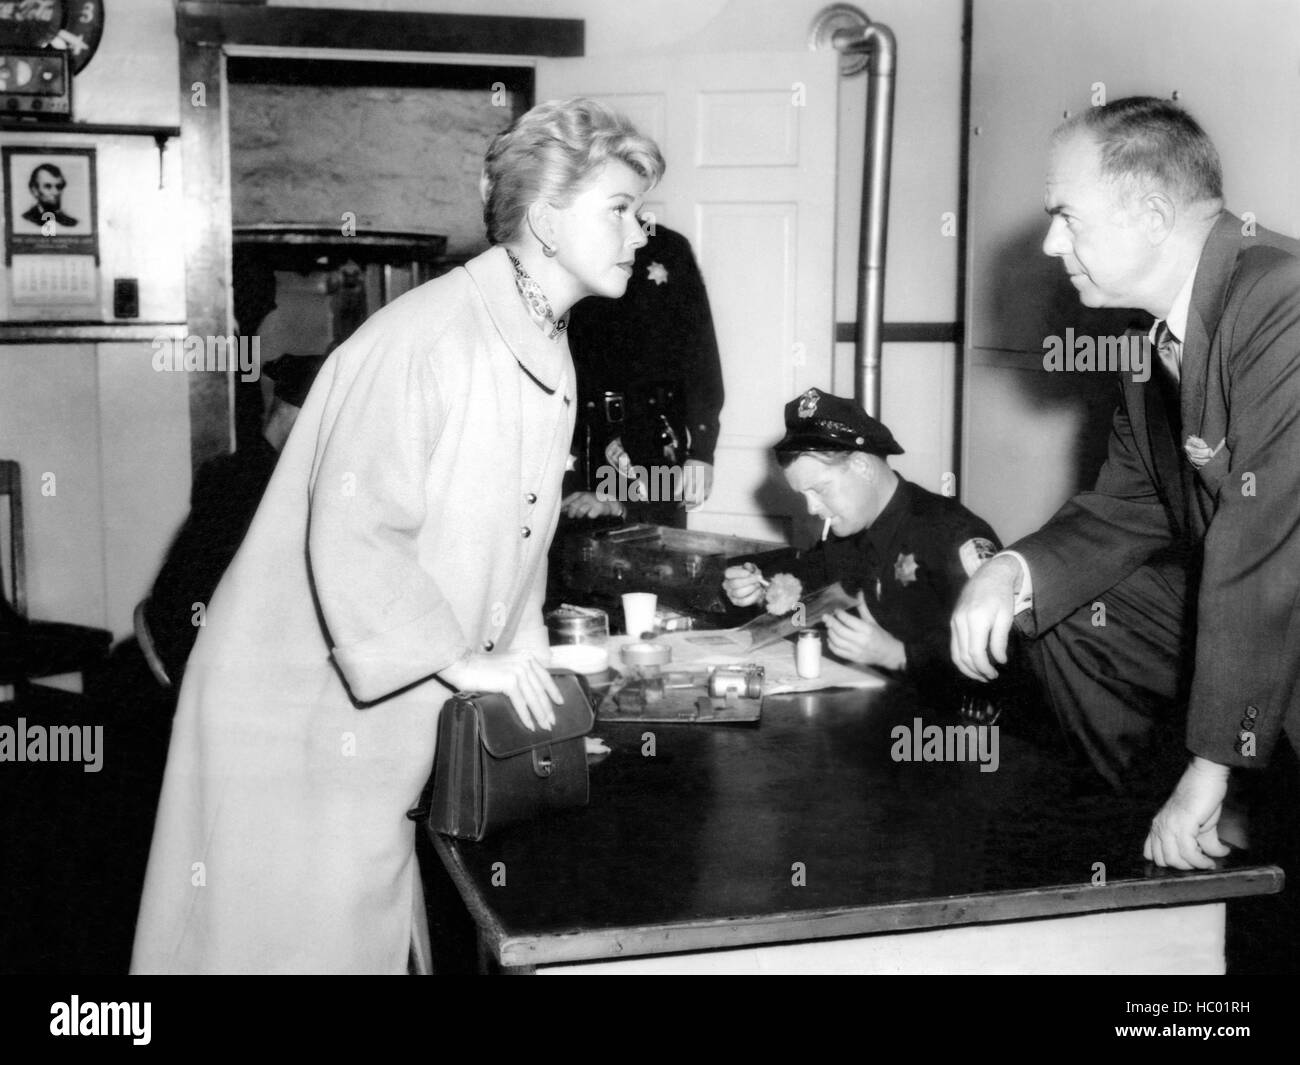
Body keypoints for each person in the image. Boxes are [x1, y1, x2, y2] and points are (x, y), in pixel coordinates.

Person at [131, 97, 664, 974]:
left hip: (386, 688)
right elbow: (358, 530)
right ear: (545, 218)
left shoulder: (543, 337)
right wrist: (463, 659)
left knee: (365, 927)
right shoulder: (428, 339)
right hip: (297, 701)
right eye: (618, 207)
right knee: (289, 938)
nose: (639, 233)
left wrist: (527, 684)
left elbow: (517, 539)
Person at [949, 97, 1300, 869]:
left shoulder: (1282, 299)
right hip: (1265, 602)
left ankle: (1233, 819)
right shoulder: (1157, 335)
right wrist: (1013, 570)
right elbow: (1126, 505)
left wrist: (1214, 765)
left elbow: (1265, 548)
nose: (1049, 243)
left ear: (1149, 213)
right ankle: (1183, 829)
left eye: (1066, 216)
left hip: (1283, 594)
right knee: (1065, 610)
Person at [723, 389, 1001, 692]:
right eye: (804, 495)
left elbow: (1004, 652)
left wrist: (900, 655)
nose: (812, 508)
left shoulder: (949, 533)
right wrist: (759, 588)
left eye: (820, 490)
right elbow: (811, 582)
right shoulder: (847, 533)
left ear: (862, 467)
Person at [143, 355, 327, 686]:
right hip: (211, 661)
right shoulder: (263, 488)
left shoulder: (232, 470)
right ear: (293, 415)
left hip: (197, 640)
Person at [563, 223, 725, 526]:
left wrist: (702, 450)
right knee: (570, 549)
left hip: (651, 437)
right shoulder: (561, 241)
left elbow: (700, 351)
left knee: (653, 552)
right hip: (570, 435)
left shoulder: (665, 247)